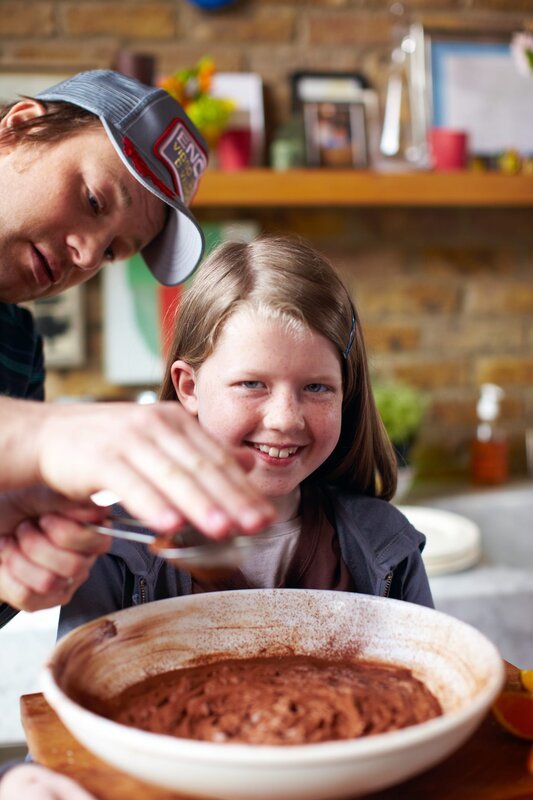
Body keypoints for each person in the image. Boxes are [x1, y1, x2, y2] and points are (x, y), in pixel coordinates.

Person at [0, 69, 274, 622]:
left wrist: (14, 563)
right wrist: (46, 435)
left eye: (112, 253)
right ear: (19, 127)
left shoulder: (20, 348)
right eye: (94, 200)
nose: (84, 256)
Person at [59, 234, 433, 637]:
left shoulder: (387, 548)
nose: (285, 419)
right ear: (189, 387)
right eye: (252, 384)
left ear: (347, 393)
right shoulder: (110, 553)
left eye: (317, 388)